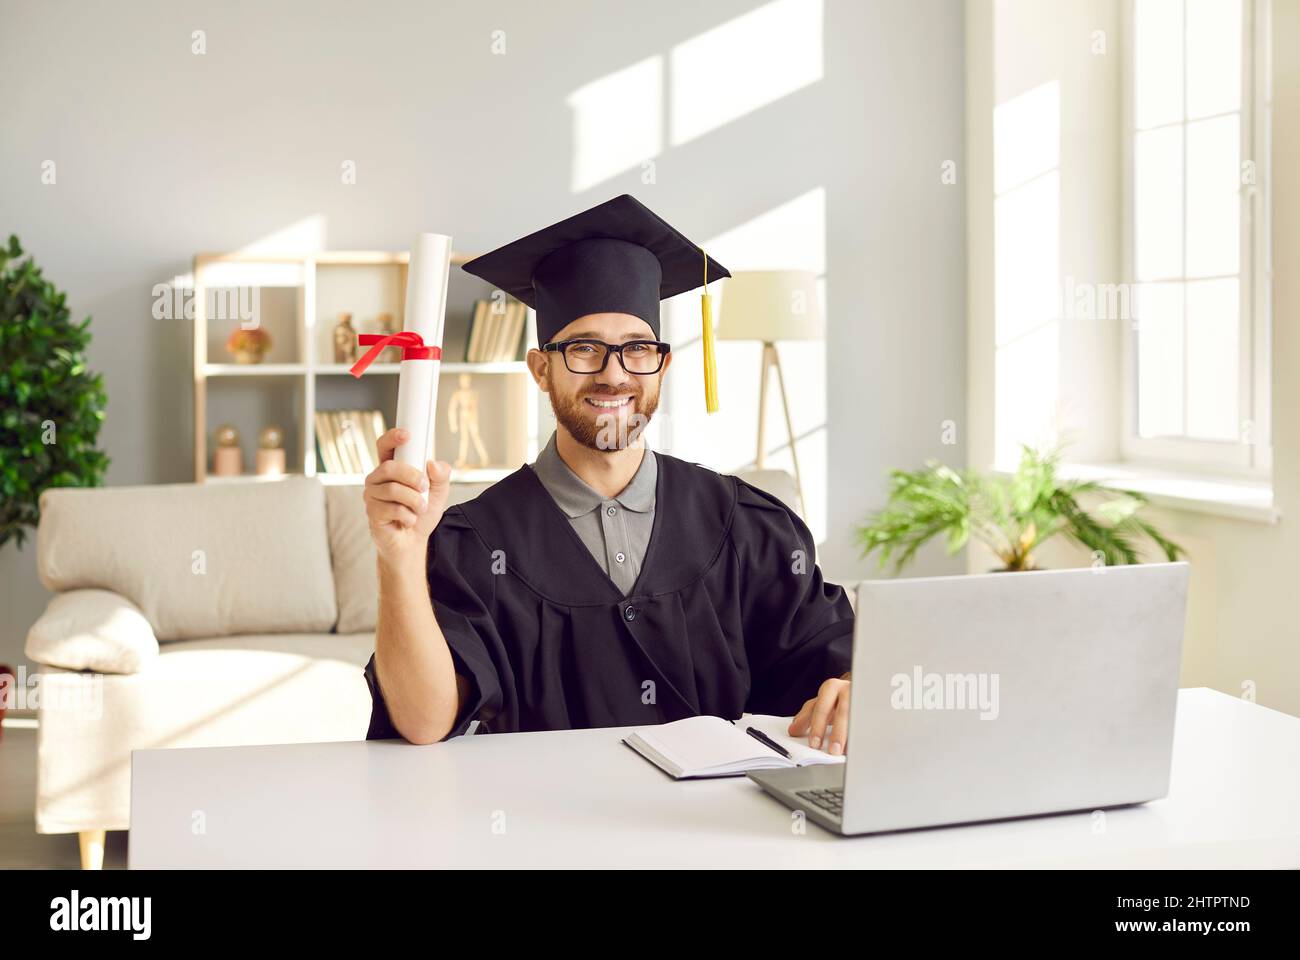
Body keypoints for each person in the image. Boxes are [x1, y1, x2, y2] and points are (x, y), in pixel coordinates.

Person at [361, 194, 855, 751]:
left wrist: (854, 688)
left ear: (663, 364)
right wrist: (398, 557)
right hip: (544, 830)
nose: (614, 374)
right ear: (542, 370)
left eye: (637, 349)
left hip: (721, 827)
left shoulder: (747, 525)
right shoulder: (470, 542)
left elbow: (836, 657)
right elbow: (425, 722)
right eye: (584, 349)